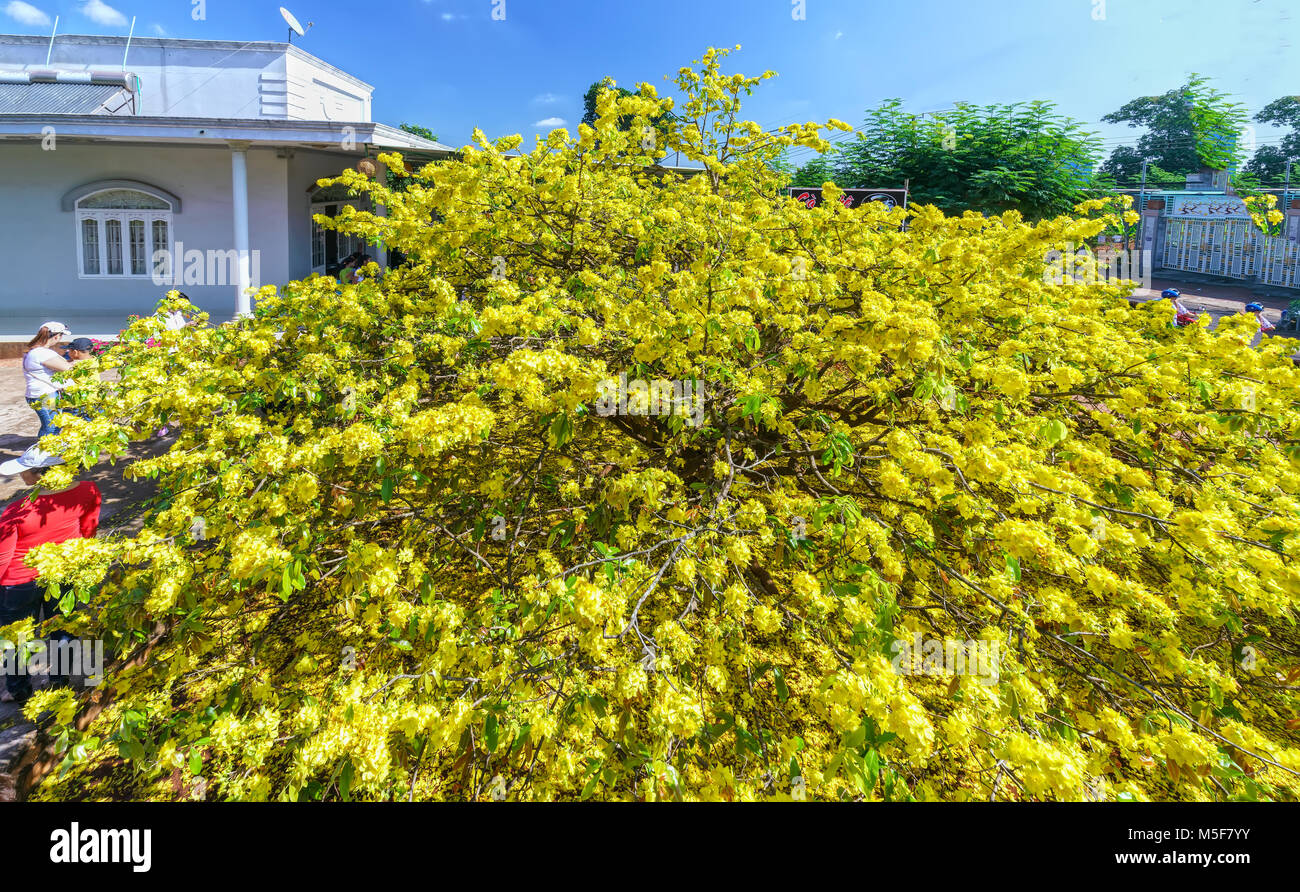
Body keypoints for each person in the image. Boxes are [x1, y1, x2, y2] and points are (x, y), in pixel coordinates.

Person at [0, 446, 101, 702]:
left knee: (17, 636)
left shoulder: (18, 510)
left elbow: (3, 556)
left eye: (26, 471)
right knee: (62, 627)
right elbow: (88, 531)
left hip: (19, 581)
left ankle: (19, 690)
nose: (22, 476)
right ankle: (59, 681)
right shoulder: (88, 490)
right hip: (64, 571)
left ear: (40, 475)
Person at [22, 322, 74, 439]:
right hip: (44, 395)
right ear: (56, 336)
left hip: (38, 393)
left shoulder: (34, 351)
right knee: (51, 426)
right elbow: (67, 368)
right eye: (61, 336)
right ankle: (43, 452)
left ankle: (45, 451)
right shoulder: (42, 353)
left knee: (51, 424)